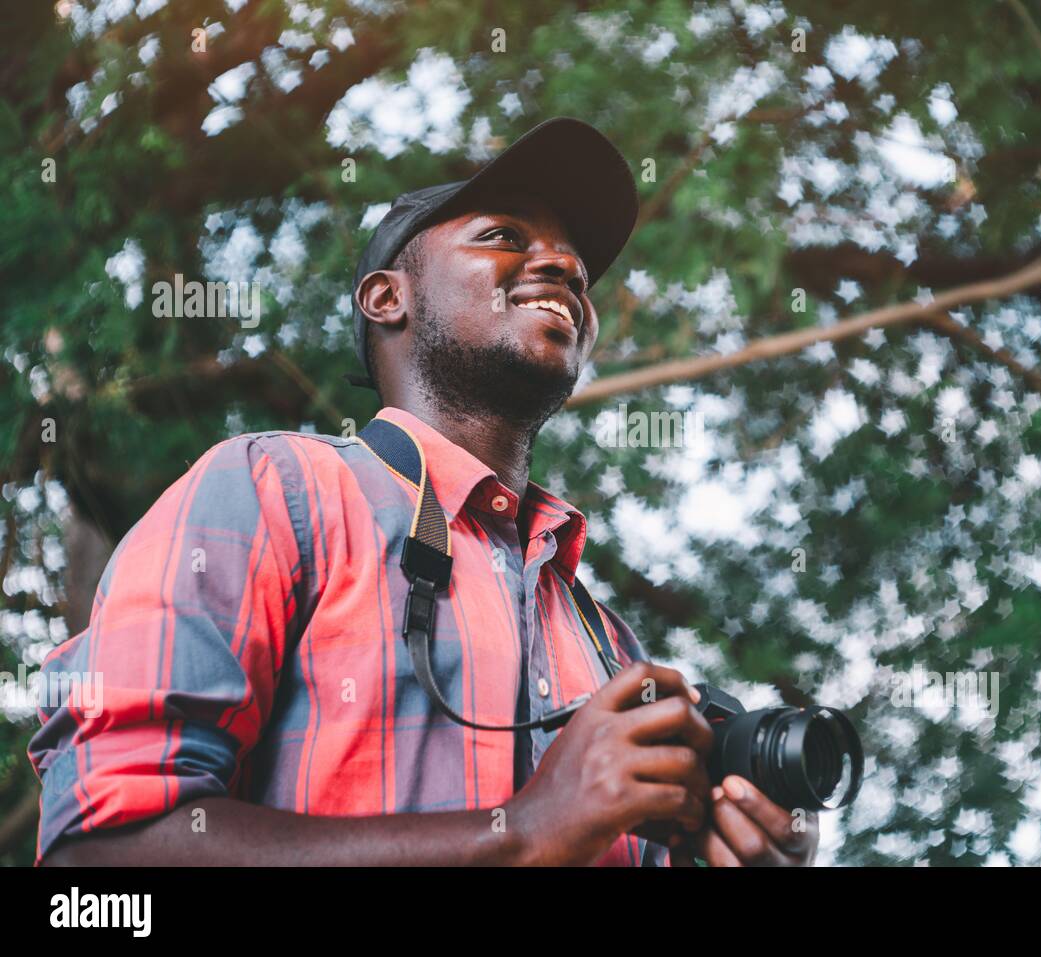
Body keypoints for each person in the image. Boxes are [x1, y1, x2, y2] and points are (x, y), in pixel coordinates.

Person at [29, 117, 818, 867]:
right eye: (505, 236)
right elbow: (99, 858)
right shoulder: (272, 491)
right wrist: (518, 835)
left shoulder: (610, 645)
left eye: (576, 264)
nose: (567, 268)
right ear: (387, 298)